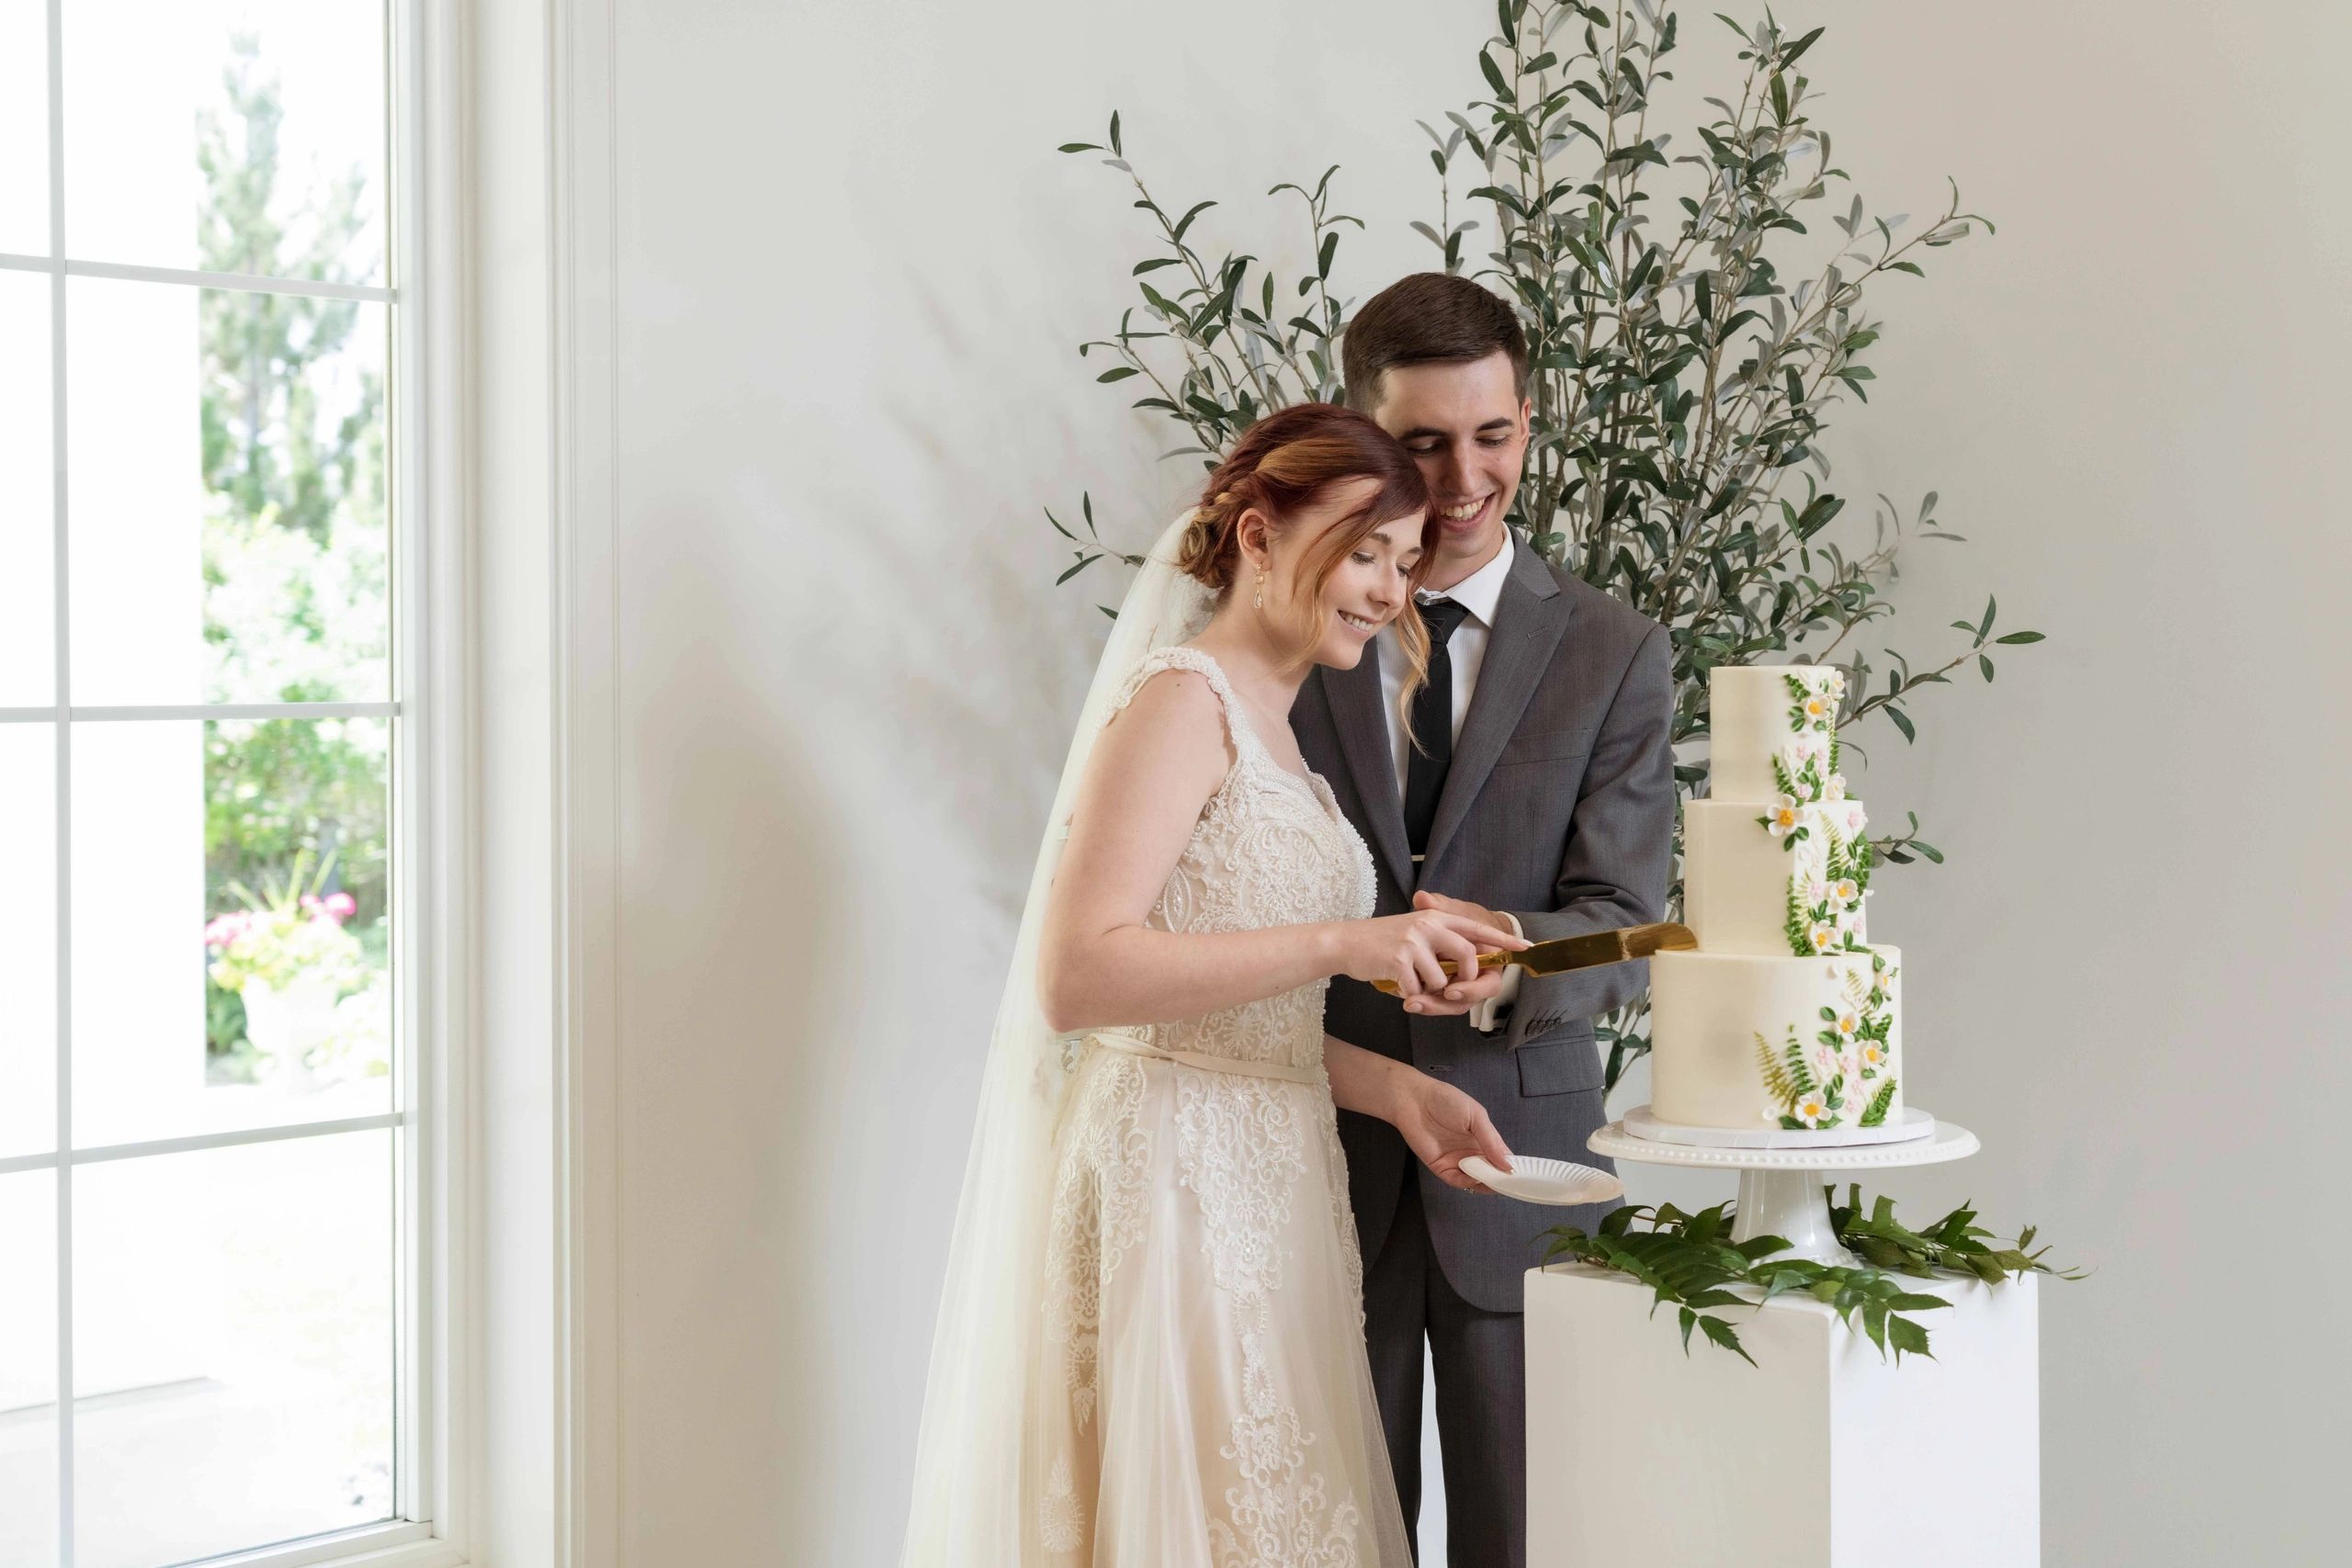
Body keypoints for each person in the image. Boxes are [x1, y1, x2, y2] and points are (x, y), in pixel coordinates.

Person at [901, 401, 1539, 1566]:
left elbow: (1239, 1017)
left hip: (1271, 1181)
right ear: (1256, 537)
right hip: (1172, 1180)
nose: (1390, 591)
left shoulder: (1282, 731)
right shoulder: (1182, 701)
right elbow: (1079, 974)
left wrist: (1398, 1092)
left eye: (1403, 562)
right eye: (1362, 553)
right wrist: (1346, 946)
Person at [1291, 273, 1676, 1568]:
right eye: (1423, 442)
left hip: (1525, 1164)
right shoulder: (1290, 637)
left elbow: (1630, 924)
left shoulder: (1615, 651)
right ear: (1363, 440)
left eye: (1493, 434)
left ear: (1530, 423)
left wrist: (1512, 968)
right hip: (1310, 1155)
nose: (1463, 477)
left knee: (1527, 1538)